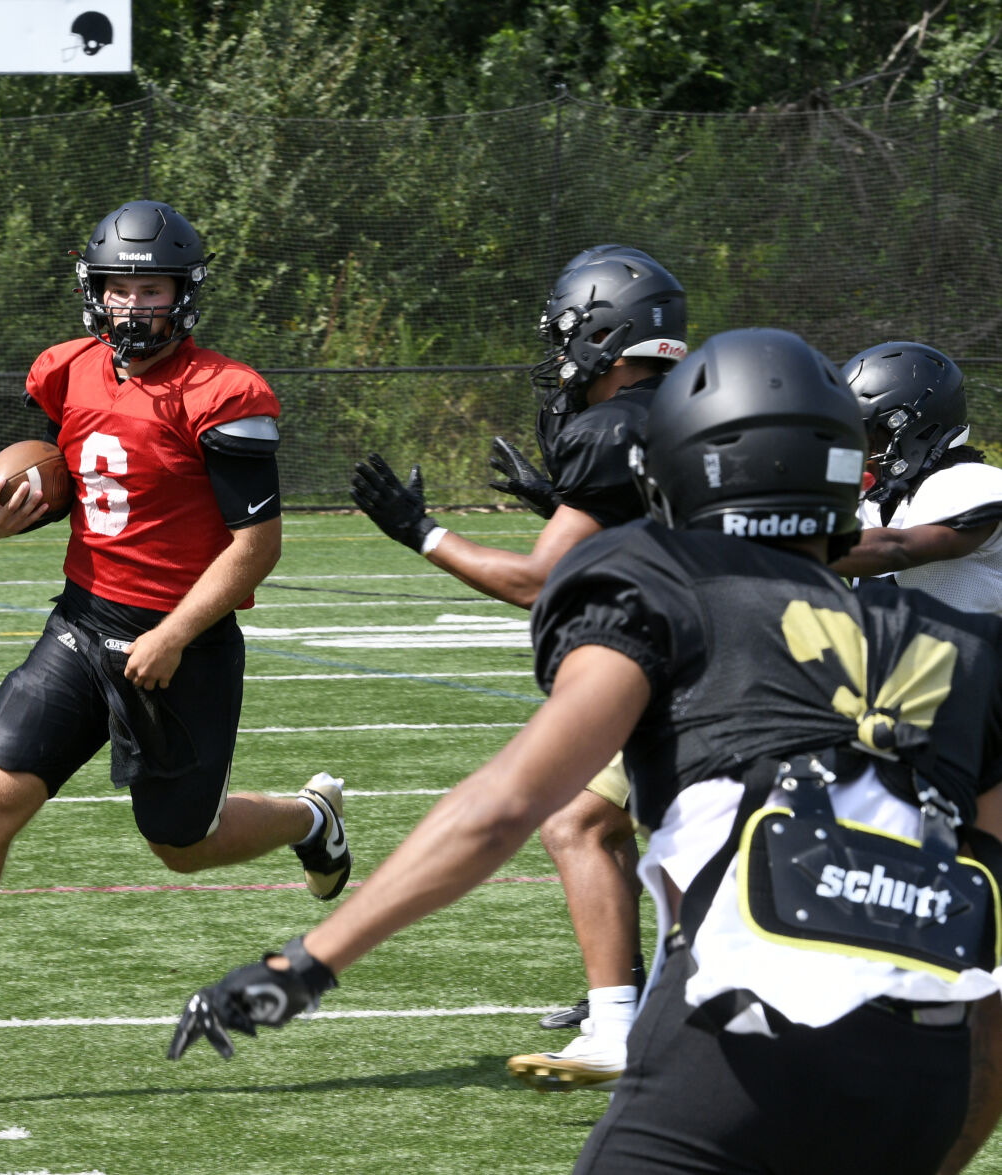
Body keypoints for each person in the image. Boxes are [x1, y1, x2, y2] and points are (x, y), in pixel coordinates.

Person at [170, 328, 1002, 1174]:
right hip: (918, 1076)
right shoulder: (967, 652)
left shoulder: (662, 585)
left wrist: (308, 962)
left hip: (734, 1050)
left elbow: (502, 806)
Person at [0, 200, 351, 1076]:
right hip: (83, 621)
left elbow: (256, 546)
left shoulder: (226, 393)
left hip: (186, 642)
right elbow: (70, 486)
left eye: (152, 287)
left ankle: (309, 817)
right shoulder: (63, 372)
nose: (135, 305)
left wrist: (176, 632)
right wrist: (1, 516)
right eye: (119, 287)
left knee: (181, 844)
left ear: (184, 294)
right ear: (93, 293)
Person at [350, 245, 687, 1089]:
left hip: (681, 666)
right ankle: (646, 1014)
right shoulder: (692, 403)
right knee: (605, 822)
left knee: (587, 822)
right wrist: (567, 504)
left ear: (604, 335)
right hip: (743, 642)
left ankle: (637, 1023)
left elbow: (542, 584)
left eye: (567, 336)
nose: (558, 358)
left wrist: (419, 530)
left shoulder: (611, 427)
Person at [831, 341, 1002, 612]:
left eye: (868, 441)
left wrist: (786, 538)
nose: (854, 454)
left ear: (919, 431)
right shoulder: (878, 501)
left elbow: (895, 550)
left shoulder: (968, 484)